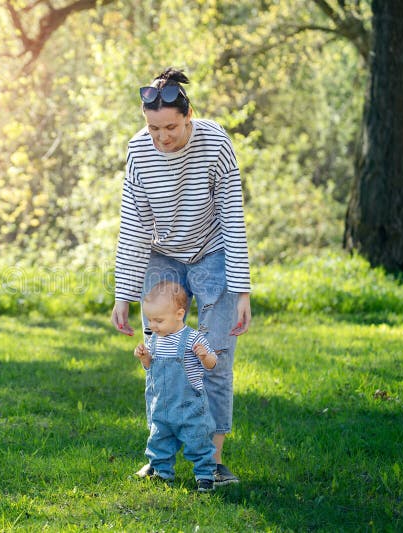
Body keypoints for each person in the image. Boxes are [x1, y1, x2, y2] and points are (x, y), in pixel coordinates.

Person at [111, 67, 251, 486]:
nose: (162, 137)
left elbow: (232, 218)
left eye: (170, 127)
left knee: (215, 356)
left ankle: (214, 461)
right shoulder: (138, 151)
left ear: (189, 116)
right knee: (161, 357)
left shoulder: (215, 143)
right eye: (153, 128)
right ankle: (160, 456)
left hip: (212, 251)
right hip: (162, 254)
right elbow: (133, 227)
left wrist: (241, 290)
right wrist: (123, 294)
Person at [134, 280, 219, 492]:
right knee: (159, 440)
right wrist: (145, 358)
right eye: (150, 320)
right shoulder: (155, 339)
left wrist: (205, 356)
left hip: (189, 406)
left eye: (158, 320)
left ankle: (205, 475)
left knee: (198, 440)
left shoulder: (193, 338)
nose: (152, 326)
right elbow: (151, 369)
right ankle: (162, 472)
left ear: (179, 314)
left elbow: (212, 364)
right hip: (161, 405)